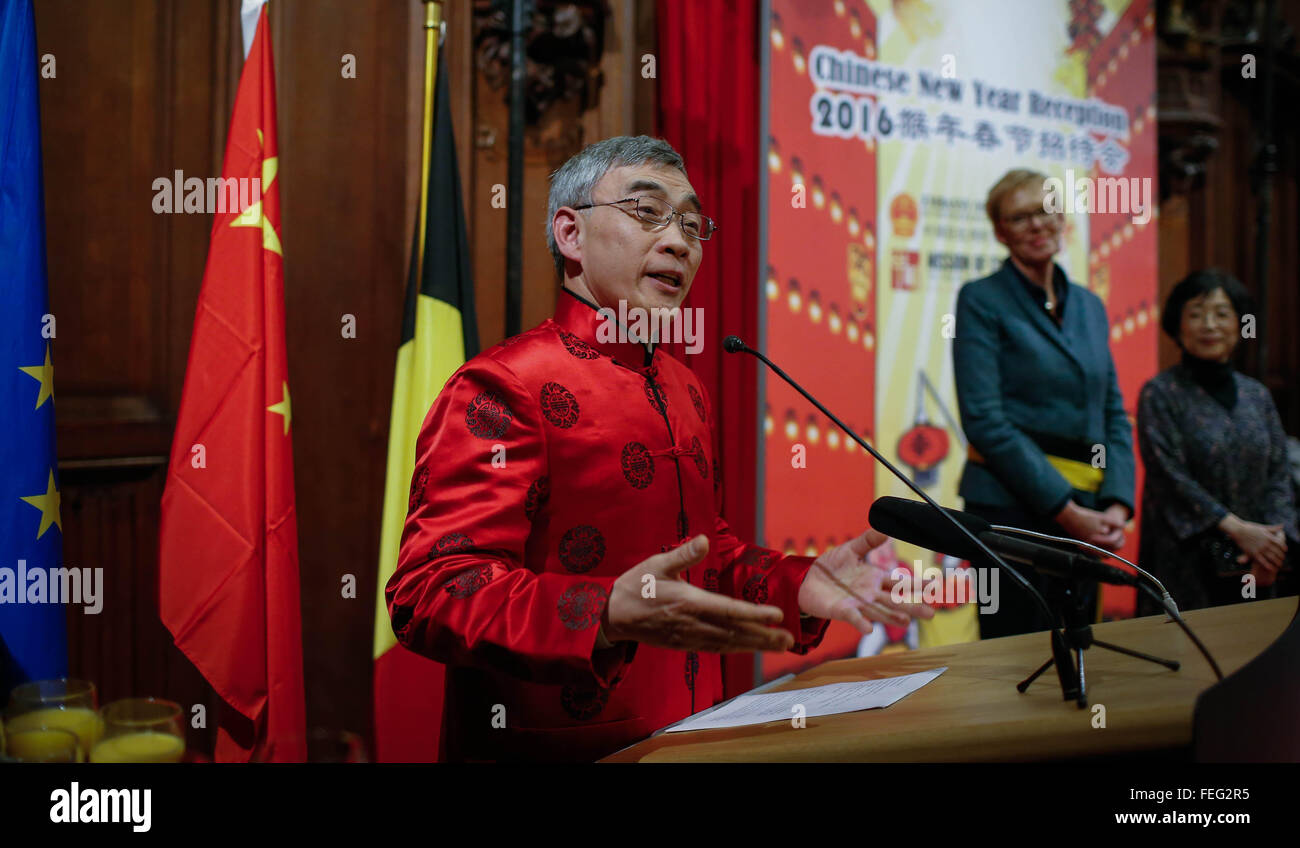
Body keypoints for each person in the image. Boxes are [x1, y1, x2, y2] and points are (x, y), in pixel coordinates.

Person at [386, 135, 932, 761]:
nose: (679, 242)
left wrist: (800, 581)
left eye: (694, 225)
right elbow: (431, 588)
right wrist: (602, 611)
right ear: (570, 234)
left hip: (697, 740)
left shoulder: (684, 388)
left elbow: (707, 557)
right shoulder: (505, 385)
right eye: (647, 214)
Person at [952, 169, 1135, 638]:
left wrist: (1115, 506)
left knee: (1078, 646)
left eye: (1045, 211)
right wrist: (1066, 512)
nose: (1036, 224)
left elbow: (1113, 411)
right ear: (1000, 232)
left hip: (1089, 508)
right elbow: (985, 421)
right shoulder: (980, 300)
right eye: (1019, 217)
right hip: (1010, 510)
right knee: (1016, 655)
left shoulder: (1091, 305)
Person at [1136, 270, 1297, 615]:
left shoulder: (1258, 395)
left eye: (1222, 314)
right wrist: (1237, 530)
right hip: (1186, 561)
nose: (1209, 325)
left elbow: (1279, 474)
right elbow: (1170, 479)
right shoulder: (1160, 394)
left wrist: (1274, 543)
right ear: (1177, 326)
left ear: (1240, 325)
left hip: (1256, 562)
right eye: (1195, 314)